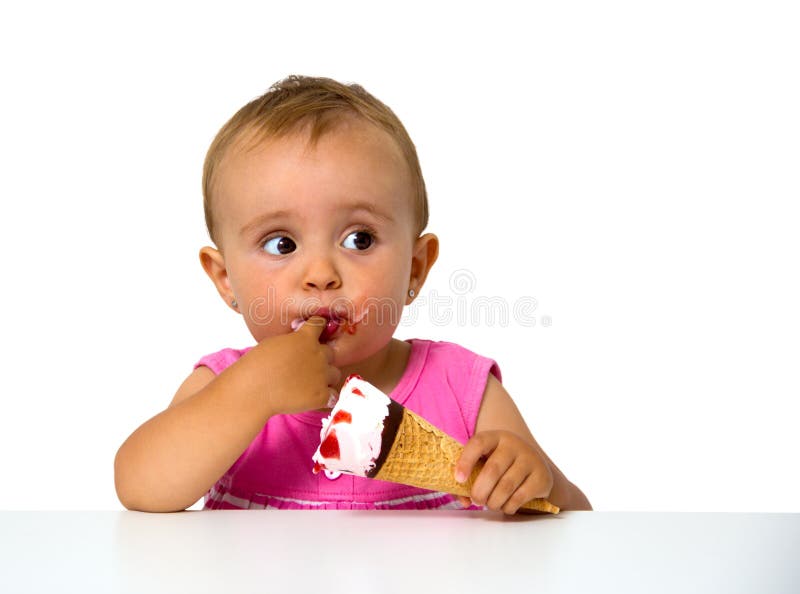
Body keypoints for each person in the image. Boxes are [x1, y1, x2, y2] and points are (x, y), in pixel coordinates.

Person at [114, 75, 592, 514]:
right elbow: (137, 486)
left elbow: (577, 518)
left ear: (415, 267)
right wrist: (249, 394)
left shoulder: (461, 391)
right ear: (224, 279)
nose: (321, 274)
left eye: (359, 239)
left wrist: (537, 483)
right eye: (281, 244)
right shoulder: (222, 386)